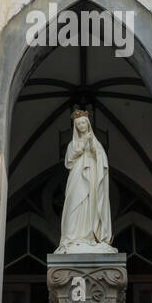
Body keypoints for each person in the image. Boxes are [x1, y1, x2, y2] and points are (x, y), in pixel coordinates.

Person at [56, 109, 116, 254]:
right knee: (74, 203)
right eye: (78, 124)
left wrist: (93, 146)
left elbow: (102, 160)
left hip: (92, 176)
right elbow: (69, 161)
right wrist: (83, 145)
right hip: (77, 175)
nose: (81, 126)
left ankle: (89, 236)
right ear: (75, 127)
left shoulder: (95, 142)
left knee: (91, 203)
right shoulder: (72, 144)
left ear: (88, 124)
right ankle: (73, 238)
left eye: (83, 123)